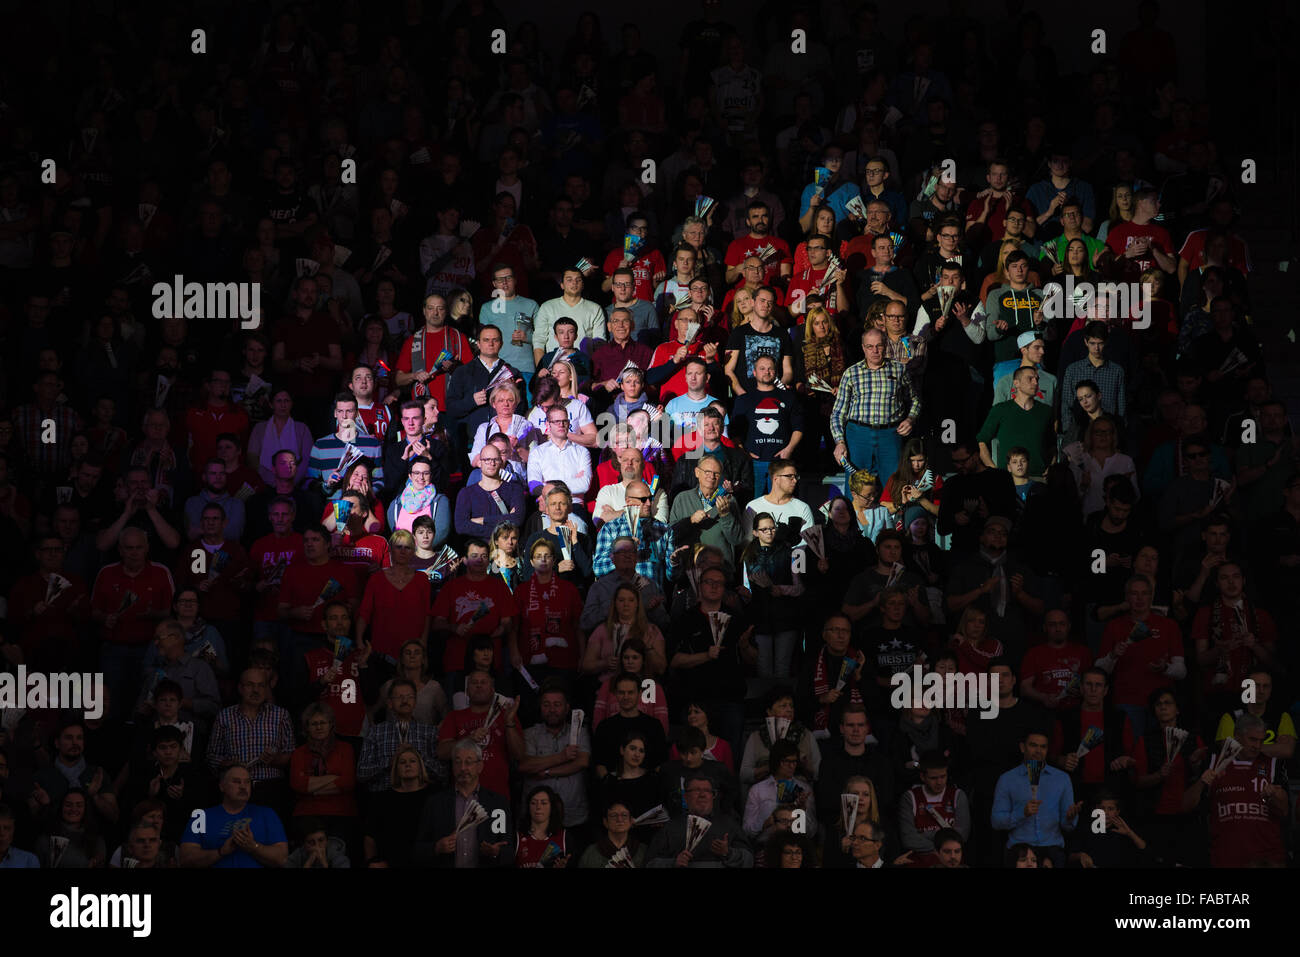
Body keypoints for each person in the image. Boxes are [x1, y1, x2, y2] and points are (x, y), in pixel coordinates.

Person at [1186, 714, 1288, 868]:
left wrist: (1275, 796)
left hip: (1267, 859)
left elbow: (1285, 811)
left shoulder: (1274, 765)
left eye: (1261, 740)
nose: (1258, 746)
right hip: (1225, 858)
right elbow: (1185, 806)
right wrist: (1201, 782)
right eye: (1252, 739)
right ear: (1237, 736)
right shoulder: (1214, 762)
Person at [1096, 575, 1185, 737]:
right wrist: (1113, 655)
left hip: (1161, 704)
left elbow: (1181, 671)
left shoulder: (1168, 626)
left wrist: (1165, 667)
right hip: (1127, 701)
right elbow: (1100, 670)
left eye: (1144, 593)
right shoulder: (1114, 626)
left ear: (1151, 596)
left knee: (1161, 754)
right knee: (1131, 753)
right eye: (1134, 593)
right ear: (1127, 597)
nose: (1139, 598)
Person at [831, 328, 920, 480]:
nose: (875, 351)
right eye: (870, 346)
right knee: (857, 485)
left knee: (893, 485)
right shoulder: (851, 373)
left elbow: (915, 399)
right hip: (858, 435)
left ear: (885, 346)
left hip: (890, 434)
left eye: (879, 346)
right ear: (863, 348)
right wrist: (839, 442)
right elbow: (838, 413)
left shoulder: (899, 369)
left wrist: (910, 419)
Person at [412, 739, 516, 868]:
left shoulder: (497, 804)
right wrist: (436, 847)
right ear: (452, 766)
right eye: (457, 762)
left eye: (468, 762)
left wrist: (496, 852)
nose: (462, 768)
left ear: (480, 766)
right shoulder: (435, 803)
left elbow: (508, 851)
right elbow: (418, 850)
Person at [990, 730, 1081, 869]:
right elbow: (996, 821)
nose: (1038, 750)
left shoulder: (1062, 779)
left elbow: (1067, 826)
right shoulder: (1007, 780)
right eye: (1033, 745)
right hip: (1019, 849)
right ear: (1022, 747)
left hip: (1052, 849)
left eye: (1043, 747)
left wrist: (1070, 817)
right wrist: (1022, 813)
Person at [179, 764, 288, 868]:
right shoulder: (201, 816)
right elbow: (186, 859)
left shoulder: (267, 814)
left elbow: (282, 859)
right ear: (222, 786)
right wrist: (220, 852)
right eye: (236, 781)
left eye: (247, 782)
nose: (243, 786)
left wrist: (253, 847)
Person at [646, 771, 752, 868]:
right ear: (685, 797)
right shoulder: (670, 827)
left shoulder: (729, 824)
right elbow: (649, 864)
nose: (702, 795)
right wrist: (673, 863)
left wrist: (729, 853)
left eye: (707, 791)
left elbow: (749, 861)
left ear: (713, 796)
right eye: (696, 790)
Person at [357, 679, 442, 794]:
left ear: (415, 701)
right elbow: (362, 774)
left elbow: (442, 774)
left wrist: (418, 757)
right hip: (384, 794)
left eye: (409, 696)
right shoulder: (376, 732)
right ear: (389, 703)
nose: (405, 700)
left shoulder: (430, 732)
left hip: (421, 796)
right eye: (399, 697)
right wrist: (389, 762)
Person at [898, 753, 972, 855]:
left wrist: (924, 835)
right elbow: (908, 839)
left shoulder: (957, 795)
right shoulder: (910, 797)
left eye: (943, 776)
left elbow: (962, 836)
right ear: (922, 777)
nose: (939, 782)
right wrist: (944, 845)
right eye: (933, 778)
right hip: (920, 861)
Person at [577, 802, 646, 867]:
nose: (619, 819)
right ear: (605, 822)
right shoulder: (591, 852)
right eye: (613, 815)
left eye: (624, 815)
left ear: (631, 821)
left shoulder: (643, 850)